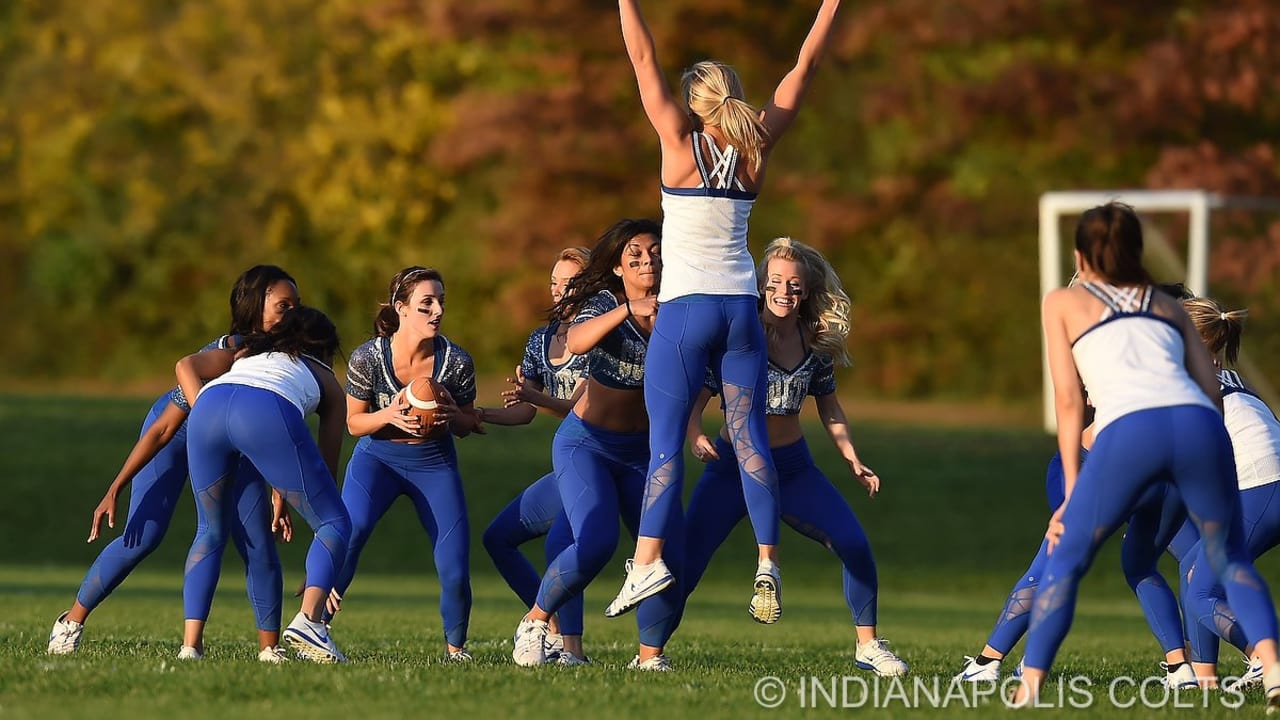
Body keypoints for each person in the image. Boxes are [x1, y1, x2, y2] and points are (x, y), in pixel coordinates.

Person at [607, 0, 843, 623]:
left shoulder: (678, 142)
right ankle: (767, 561)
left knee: (664, 446)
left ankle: (648, 561)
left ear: (694, 103)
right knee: (751, 439)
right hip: (742, 309)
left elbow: (640, 54)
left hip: (686, 312)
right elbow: (806, 64)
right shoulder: (756, 147)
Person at [1013, 202, 1280, 710]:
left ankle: (1029, 685)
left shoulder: (1065, 303)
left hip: (1135, 428)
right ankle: (1272, 667)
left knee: (1068, 559)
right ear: (1138, 252)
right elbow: (1209, 389)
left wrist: (1072, 493)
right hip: (1200, 427)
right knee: (1228, 559)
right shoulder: (1170, 305)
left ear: (1079, 256)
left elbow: (1069, 402)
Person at [677, 238, 908, 674]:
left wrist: (851, 457)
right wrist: (695, 434)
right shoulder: (738, 334)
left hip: (794, 468)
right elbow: (700, 395)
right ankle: (650, 653)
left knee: (855, 545)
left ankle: (868, 646)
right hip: (733, 467)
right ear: (761, 284)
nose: (785, 291)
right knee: (687, 561)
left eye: (795, 284)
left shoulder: (813, 341)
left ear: (806, 290)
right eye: (776, 281)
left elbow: (829, 405)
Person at [47, 266, 300, 662]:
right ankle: (70, 621)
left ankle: (270, 650)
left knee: (256, 539)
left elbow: (274, 432)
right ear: (255, 305)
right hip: (179, 435)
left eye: (296, 306)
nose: (292, 313)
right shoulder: (232, 351)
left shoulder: (286, 359)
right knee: (143, 536)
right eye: (283, 305)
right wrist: (115, 488)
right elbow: (163, 425)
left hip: (234, 443)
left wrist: (279, 489)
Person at [510, 219, 677, 669]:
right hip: (586, 444)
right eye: (634, 256)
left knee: (666, 554)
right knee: (596, 541)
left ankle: (649, 657)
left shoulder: (682, 302)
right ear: (619, 268)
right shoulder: (604, 301)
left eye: (654, 252)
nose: (647, 261)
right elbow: (580, 341)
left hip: (644, 452)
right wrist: (632, 308)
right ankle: (536, 622)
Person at [323, 266, 483, 661]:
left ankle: (456, 650)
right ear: (401, 308)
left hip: (434, 461)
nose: (437, 311)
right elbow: (353, 422)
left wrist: (452, 418)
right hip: (378, 457)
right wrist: (389, 415)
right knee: (350, 535)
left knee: (454, 564)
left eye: (441, 302)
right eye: (426, 302)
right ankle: (314, 629)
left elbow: (468, 423)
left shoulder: (456, 361)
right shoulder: (368, 357)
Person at [177, 306, 352, 664]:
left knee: (208, 531)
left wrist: (282, 494)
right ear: (322, 346)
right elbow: (325, 465)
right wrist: (324, 559)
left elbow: (188, 365)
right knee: (335, 522)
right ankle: (309, 622)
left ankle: (190, 647)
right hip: (266, 409)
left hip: (208, 407)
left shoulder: (245, 353)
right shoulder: (322, 374)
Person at [482, 247, 592, 663]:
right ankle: (549, 625)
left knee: (563, 544)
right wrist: (474, 414)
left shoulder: (603, 336)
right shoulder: (541, 339)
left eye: (571, 283)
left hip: (604, 459)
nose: (560, 290)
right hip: (570, 464)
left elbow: (584, 407)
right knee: (498, 538)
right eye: (554, 282)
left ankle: (573, 651)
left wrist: (538, 396)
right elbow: (524, 409)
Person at [1174, 298, 1280, 691]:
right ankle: (1206, 682)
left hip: (1261, 485)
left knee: (1203, 591)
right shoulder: (1233, 377)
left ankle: (1265, 659)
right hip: (1266, 481)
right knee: (1192, 566)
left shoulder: (1188, 381)